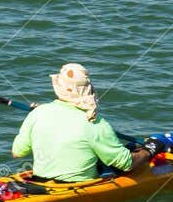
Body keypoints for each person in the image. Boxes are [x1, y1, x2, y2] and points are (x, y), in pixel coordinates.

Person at [12, 63, 153, 181]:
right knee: (123, 157)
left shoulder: (38, 112)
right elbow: (127, 164)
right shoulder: (95, 123)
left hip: (40, 180)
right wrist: (149, 151)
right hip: (76, 186)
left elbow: (17, 153)